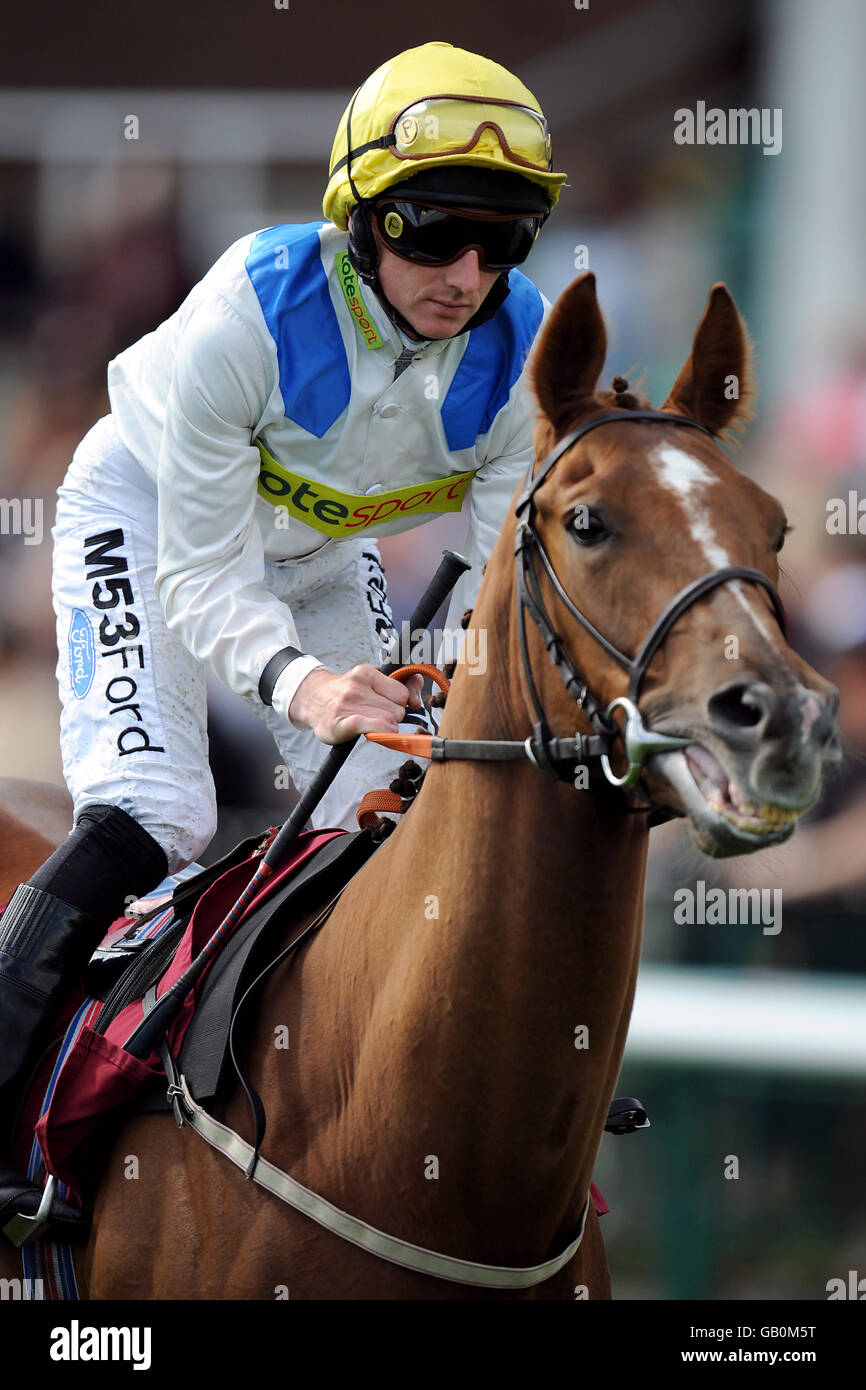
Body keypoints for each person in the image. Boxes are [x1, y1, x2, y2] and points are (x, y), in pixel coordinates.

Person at [0, 40, 566, 1238]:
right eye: (430, 231)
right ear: (357, 216)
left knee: (405, 802)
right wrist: (306, 689)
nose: (466, 274)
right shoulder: (246, 315)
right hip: (152, 512)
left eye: (502, 240)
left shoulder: (521, 358)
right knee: (156, 808)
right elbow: (202, 574)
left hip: (307, 544)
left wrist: (448, 689)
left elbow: (488, 588)